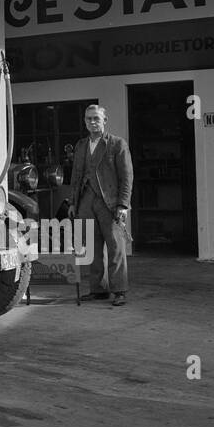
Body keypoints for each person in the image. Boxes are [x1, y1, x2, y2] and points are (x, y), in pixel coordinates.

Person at [64, 104, 133, 306]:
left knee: (115, 246)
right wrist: (72, 202)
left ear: (105, 120)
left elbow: (127, 177)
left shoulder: (117, 144)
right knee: (92, 249)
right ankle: (98, 290)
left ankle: (119, 290)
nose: (92, 122)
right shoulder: (80, 145)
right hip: (85, 201)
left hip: (109, 203)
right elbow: (75, 176)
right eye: (88, 119)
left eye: (96, 118)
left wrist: (123, 205)